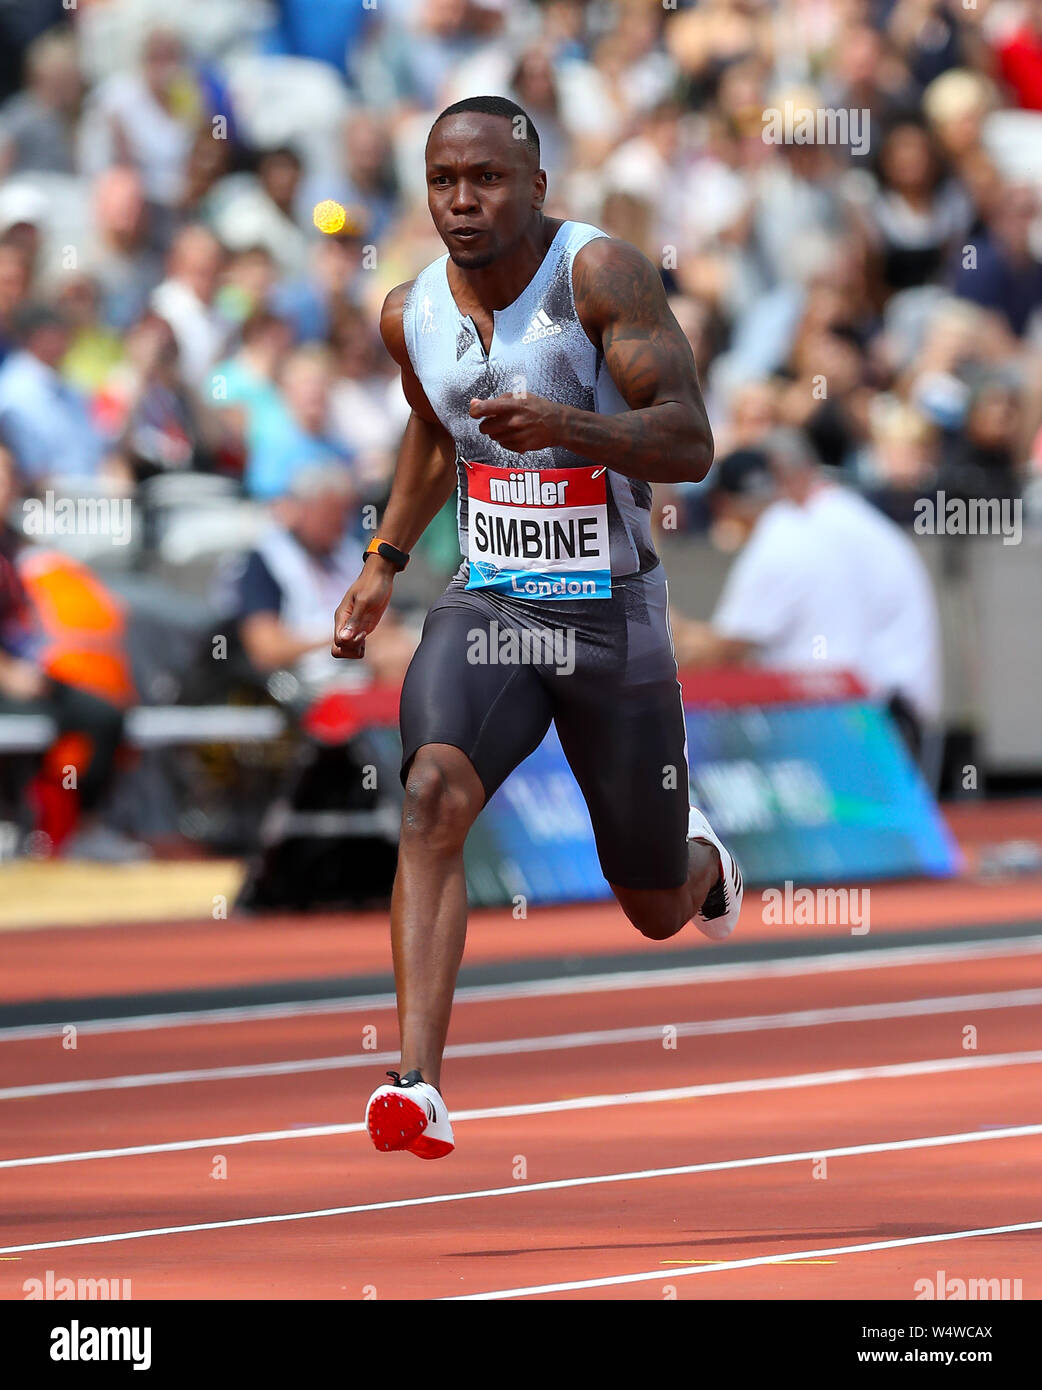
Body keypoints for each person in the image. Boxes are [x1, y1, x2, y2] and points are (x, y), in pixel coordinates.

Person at [330, 96, 744, 1161]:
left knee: (652, 903)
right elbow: (435, 433)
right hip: (495, 604)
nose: (462, 202)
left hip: (612, 617)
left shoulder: (599, 276)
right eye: (442, 183)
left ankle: (702, 861)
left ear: (537, 187)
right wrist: (384, 562)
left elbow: (690, 441)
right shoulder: (406, 312)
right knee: (429, 793)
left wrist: (571, 427)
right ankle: (417, 1081)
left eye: (487, 180)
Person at [673, 430, 942, 760]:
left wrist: (663, 625)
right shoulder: (814, 524)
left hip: (846, 713)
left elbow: (725, 650)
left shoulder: (792, 535)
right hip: (864, 703)